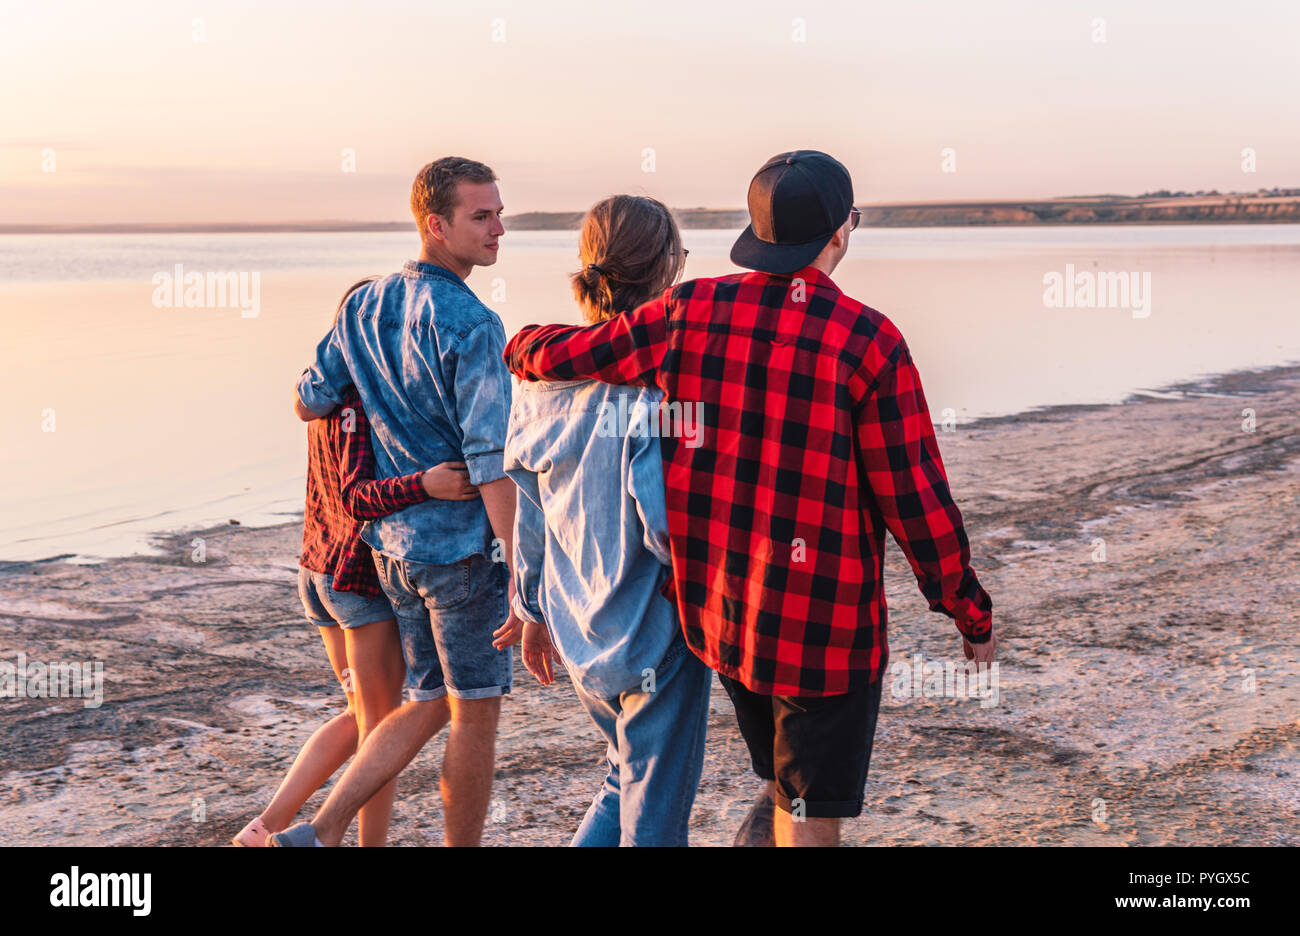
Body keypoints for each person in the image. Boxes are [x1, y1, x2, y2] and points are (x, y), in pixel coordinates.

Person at [504, 151, 997, 847]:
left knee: (782, 786)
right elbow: (914, 500)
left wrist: (522, 343)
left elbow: (570, 356)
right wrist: (966, 608)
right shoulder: (869, 342)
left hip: (727, 625)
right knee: (808, 809)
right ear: (840, 231)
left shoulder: (690, 310)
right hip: (822, 637)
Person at [273, 157, 523, 847]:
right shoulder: (474, 324)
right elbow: (490, 460)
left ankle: (317, 832)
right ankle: (333, 833)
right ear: (435, 225)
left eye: (499, 214)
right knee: (473, 714)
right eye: (481, 216)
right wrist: (518, 565)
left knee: (427, 699)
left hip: (392, 552)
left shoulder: (363, 305)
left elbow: (309, 399)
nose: (499, 229)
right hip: (460, 553)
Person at [233, 279, 481, 847]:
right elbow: (356, 497)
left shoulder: (323, 395)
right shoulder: (358, 404)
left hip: (316, 572)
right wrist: (426, 484)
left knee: (359, 714)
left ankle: (264, 829)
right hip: (356, 581)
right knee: (380, 729)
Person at [505, 195, 712, 846]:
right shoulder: (654, 387)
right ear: (668, 268)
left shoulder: (539, 382)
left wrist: (530, 610)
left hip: (576, 626)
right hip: (653, 632)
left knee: (624, 778)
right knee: (655, 820)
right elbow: (662, 527)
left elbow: (531, 513)